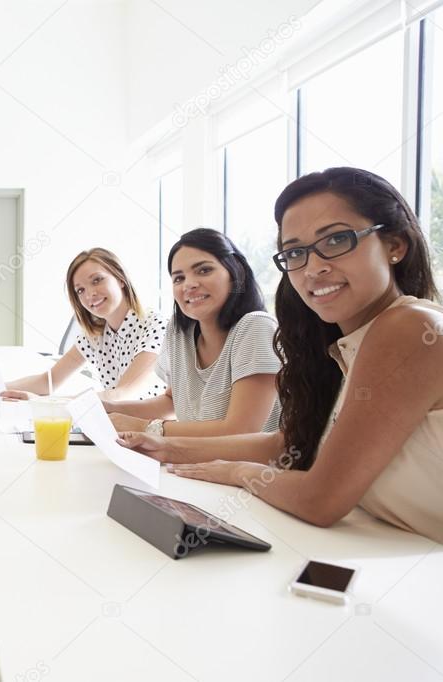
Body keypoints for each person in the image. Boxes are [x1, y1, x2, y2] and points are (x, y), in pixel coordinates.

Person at [119, 168, 443, 543]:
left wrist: (237, 472)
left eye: (337, 239)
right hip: (391, 548)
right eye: (295, 253)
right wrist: (167, 447)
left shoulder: (409, 328)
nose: (313, 268)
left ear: (394, 245)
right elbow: (290, 444)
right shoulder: (344, 344)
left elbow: (322, 499)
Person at [106, 228, 282, 437]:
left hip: (253, 469)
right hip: (195, 464)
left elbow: (240, 431)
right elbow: (171, 401)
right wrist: (109, 408)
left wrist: (143, 427)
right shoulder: (179, 332)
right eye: (178, 278)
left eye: (204, 270)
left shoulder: (256, 328)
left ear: (236, 274)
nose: (189, 284)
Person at [0, 248, 166, 401]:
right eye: (80, 290)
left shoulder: (155, 326)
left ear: (120, 278)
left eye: (97, 280)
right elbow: (48, 381)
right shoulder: (96, 333)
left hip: (151, 434)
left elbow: (122, 394)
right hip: (118, 426)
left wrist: (45, 405)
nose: (90, 294)